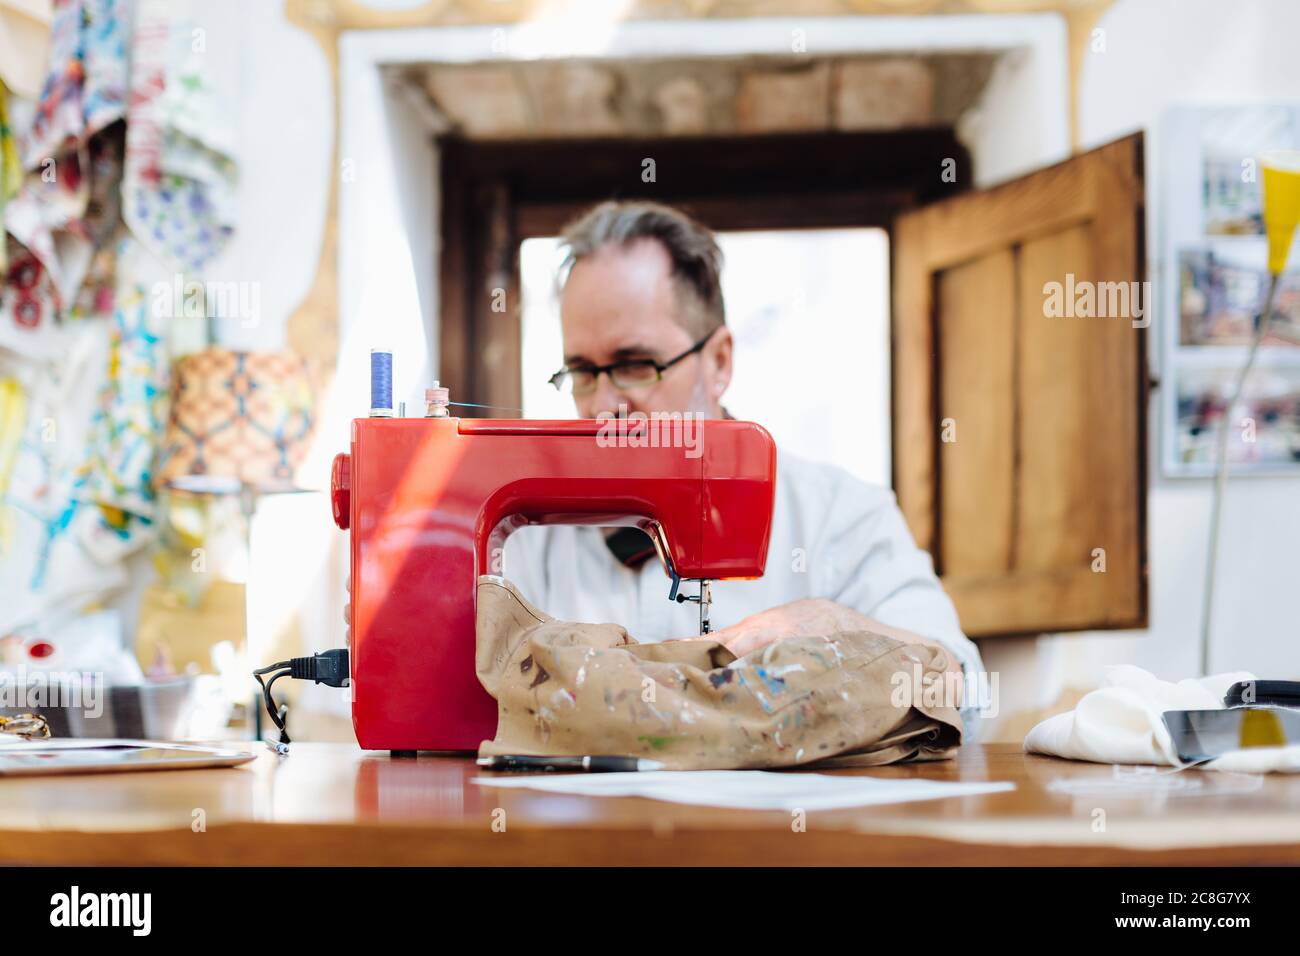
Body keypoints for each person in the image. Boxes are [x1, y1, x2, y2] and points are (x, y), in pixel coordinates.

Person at [502, 201, 985, 737]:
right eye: (582, 373)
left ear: (720, 361)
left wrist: (840, 630)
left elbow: (965, 692)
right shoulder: (529, 538)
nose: (603, 406)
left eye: (634, 364)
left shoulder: (841, 516)